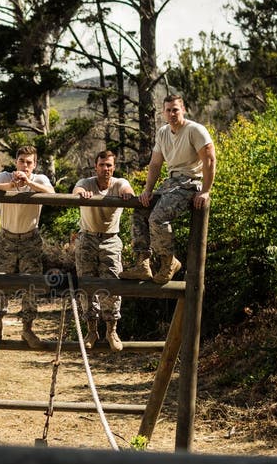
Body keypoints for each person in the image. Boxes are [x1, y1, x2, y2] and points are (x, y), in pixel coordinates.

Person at [120, 94, 216, 284]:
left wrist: (205, 191)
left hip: (190, 183)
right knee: (140, 210)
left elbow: (210, 160)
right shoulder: (163, 132)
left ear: (183, 110)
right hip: (170, 183)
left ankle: (169, 262)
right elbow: (155, 164)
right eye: (168, 110)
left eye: (175, 110)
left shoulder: (195, 130)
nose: (172, 114)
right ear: (163, 113)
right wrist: (148, 191)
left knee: (157, 217)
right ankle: (142, 265)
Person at [0, 146, 54, 349]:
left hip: (30, 239)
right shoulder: (5, 176)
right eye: (22, 161)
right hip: (6, 238)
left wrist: (29, 183)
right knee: (0, 283)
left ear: (35, 164)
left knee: (31, 284)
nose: (25, 165)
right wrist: (11, 185)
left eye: (29, 162)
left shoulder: (39, 179)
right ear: (16, 162)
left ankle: (27, 329)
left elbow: (52, 193)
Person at [73, 151, 134, 352]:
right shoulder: (86, 182)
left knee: (113, 285)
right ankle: (91, 331)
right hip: (87, 237)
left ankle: (111, 331)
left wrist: (127, 194)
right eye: (101, 165)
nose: (105, 169)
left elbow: (127, 189)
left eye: (109, 165)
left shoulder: (118, 183)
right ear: (95, 166)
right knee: (86, 284)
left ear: (114, 167)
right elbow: (77, 190)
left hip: (110, 239)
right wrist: (81, 194)